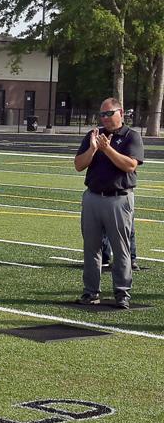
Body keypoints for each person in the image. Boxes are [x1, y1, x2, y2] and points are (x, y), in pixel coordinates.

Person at [74, 97, 143, 308]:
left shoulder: (131, 136)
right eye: (101, 114)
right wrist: (93, 149)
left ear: (120, 113)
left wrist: (108, 150)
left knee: (120, 248)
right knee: (91, 248)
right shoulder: (93, 135)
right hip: (93, 196)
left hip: (118, 199)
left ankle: (122, 293)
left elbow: (130, 165)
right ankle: (91, 292)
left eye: (108, 113)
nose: (104, 118)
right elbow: (78, 165)